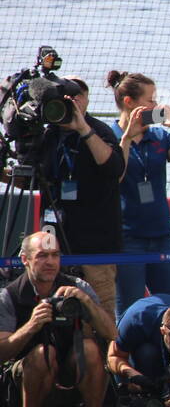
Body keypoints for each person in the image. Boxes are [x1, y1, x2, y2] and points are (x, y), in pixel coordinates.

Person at [0, 231, 119, 407]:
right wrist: (31, 326)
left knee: (90, 348)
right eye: (42, 256)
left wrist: (87, 303)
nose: (50, 262)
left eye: (55, 255)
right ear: (25, 259)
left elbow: (112, 334)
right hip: (26, 377)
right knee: (42, 353)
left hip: (71, 375)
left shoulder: (77, 287)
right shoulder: (10, 295)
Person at [107, 70, 170, 318]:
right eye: (150, 100)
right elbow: (113, 177)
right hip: (128, 239)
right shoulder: (109, 136)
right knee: (129, 311)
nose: (155, 105)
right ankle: (123, 357)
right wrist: (127, 139)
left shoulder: (160, 136)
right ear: (129, 102)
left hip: (162, 234)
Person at [33, 76, 124, 321]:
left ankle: (105, 357)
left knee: (101, 314)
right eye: (65, 100)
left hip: (96, 246)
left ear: (85, 100)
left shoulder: (99, 130)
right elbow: (33, 178)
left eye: (77, 97)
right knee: (56, 312)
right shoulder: (48, 134)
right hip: (55, 242)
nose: (71, 103)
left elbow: (114, 168)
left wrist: (83, 129)